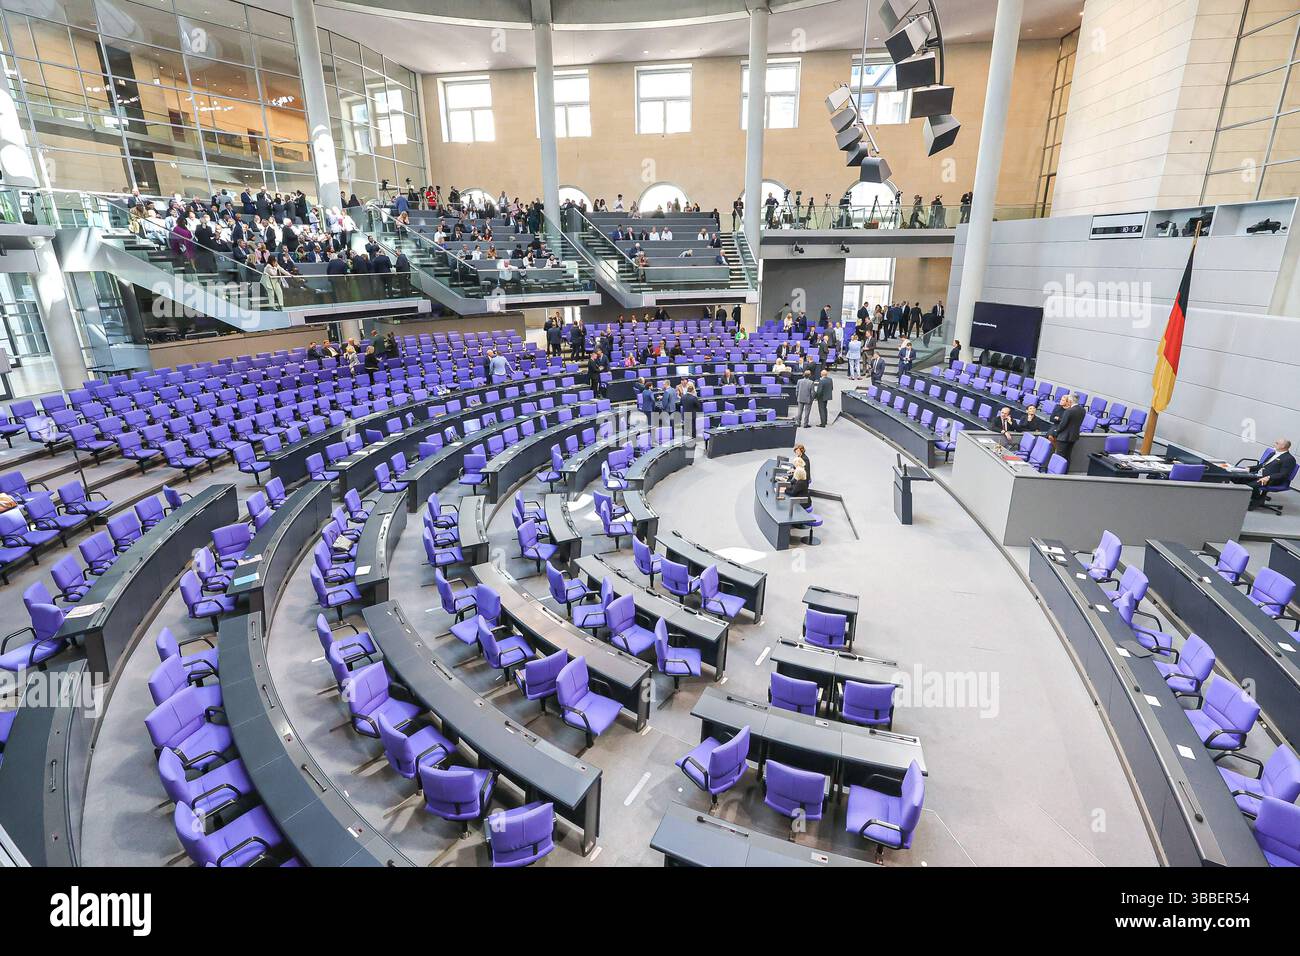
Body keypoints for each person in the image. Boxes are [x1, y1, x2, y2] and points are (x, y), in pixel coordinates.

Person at [1250, 439, 1296, 507]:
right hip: (1260, 475)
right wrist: (1250, 468)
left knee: (1250, 485)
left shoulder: (1289, 459)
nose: (1274, 444)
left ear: (1283, 446)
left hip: (1272, 480)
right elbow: (1262, 465)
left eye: (1277, 443)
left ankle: (1255, 502)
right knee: (1239, 478)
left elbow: (1283, 474)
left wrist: (1268, 477)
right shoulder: (1273, 453)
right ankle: (1254, 498)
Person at [1047, 394, 1084, 469]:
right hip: (1074, 437)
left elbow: (1063, 425)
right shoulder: (1082, 410)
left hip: (1064, 437)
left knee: (1060, 456)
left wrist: (1056, 431)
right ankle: (1065, 472)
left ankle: (1058, 473)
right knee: (1068, 456)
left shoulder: (1069, 411)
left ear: (1070, 401)